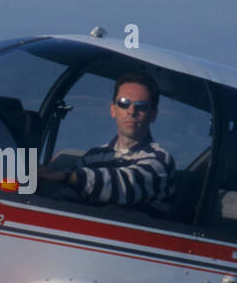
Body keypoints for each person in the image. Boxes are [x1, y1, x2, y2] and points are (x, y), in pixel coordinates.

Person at [39, 72, 176, 216]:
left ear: (153, 114)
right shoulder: (93, 156)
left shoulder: (161, 160)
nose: (131, 111)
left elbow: (124, 185)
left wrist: (64, 176)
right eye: (124, 103)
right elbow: (65, 199)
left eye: (141, 106)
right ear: (113, 109)